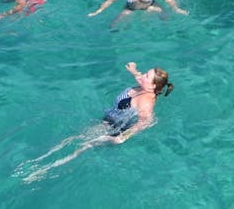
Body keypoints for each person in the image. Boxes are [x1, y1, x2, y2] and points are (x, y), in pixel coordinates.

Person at [20, 62, 173, 182]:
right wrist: (134, 70)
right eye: (146, 74)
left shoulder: (146, 102)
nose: (143, 77)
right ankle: (38, 161)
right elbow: (140, 78)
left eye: (147, 76)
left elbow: (146, 122)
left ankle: (44, 171)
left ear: (153, 86)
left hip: (113, 130)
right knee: (74, 138)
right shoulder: (146, 85)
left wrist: (121, 138)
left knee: (82, 147)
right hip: (107, 121)